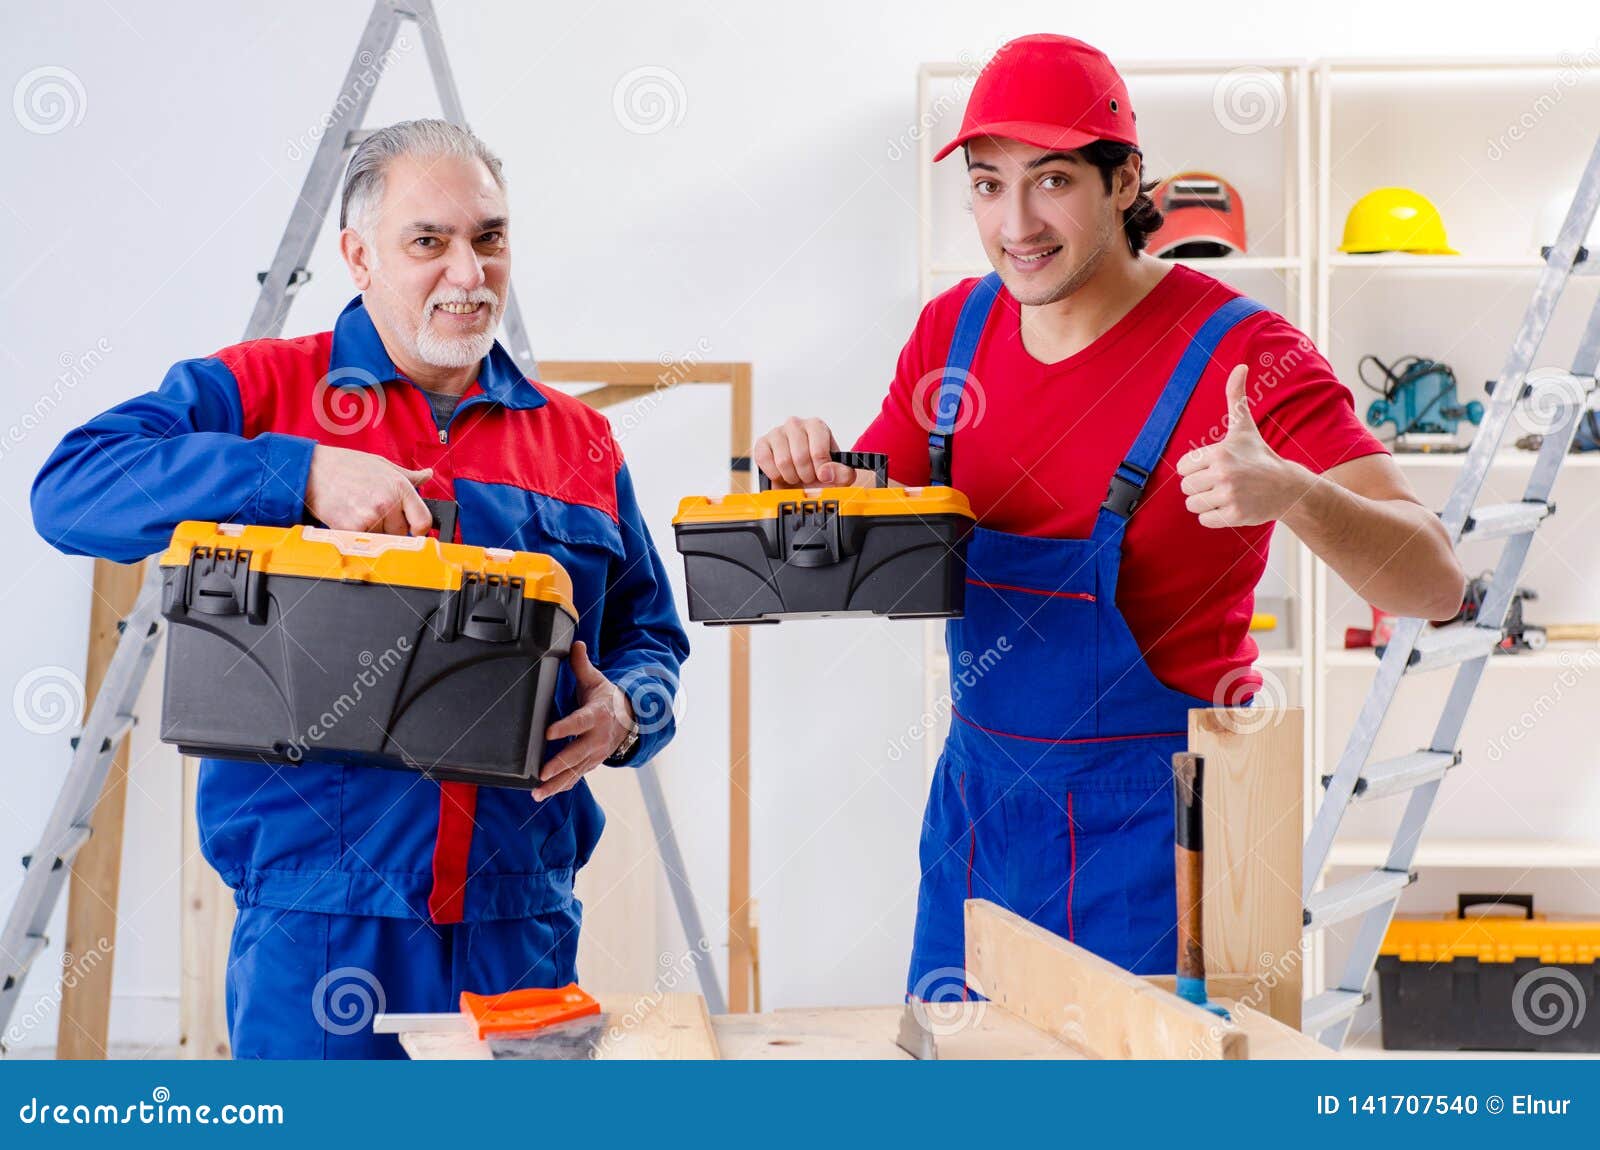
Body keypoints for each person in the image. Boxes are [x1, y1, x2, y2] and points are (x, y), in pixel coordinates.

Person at [751, 35, 1465, 997]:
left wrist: (1294, 493)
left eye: (1052, 181)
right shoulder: (953, 333)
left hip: (1161, 831)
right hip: (980, 808)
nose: (1015, 223)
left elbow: (1435, 581)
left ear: (1126, 179)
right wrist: (810, 484)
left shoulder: (1246, 356)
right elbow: (878, 521)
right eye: (987, 183)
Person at [31, 120, 689, 1058]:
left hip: (519, 927)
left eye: (489, 238)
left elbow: (650, 638)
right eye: (430, 242)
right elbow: (71, 491)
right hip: (321, 930)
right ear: (359, 255)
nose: (468, 273)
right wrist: (296, 480)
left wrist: (627, 714)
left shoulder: (577, 442)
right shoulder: (264, 390)